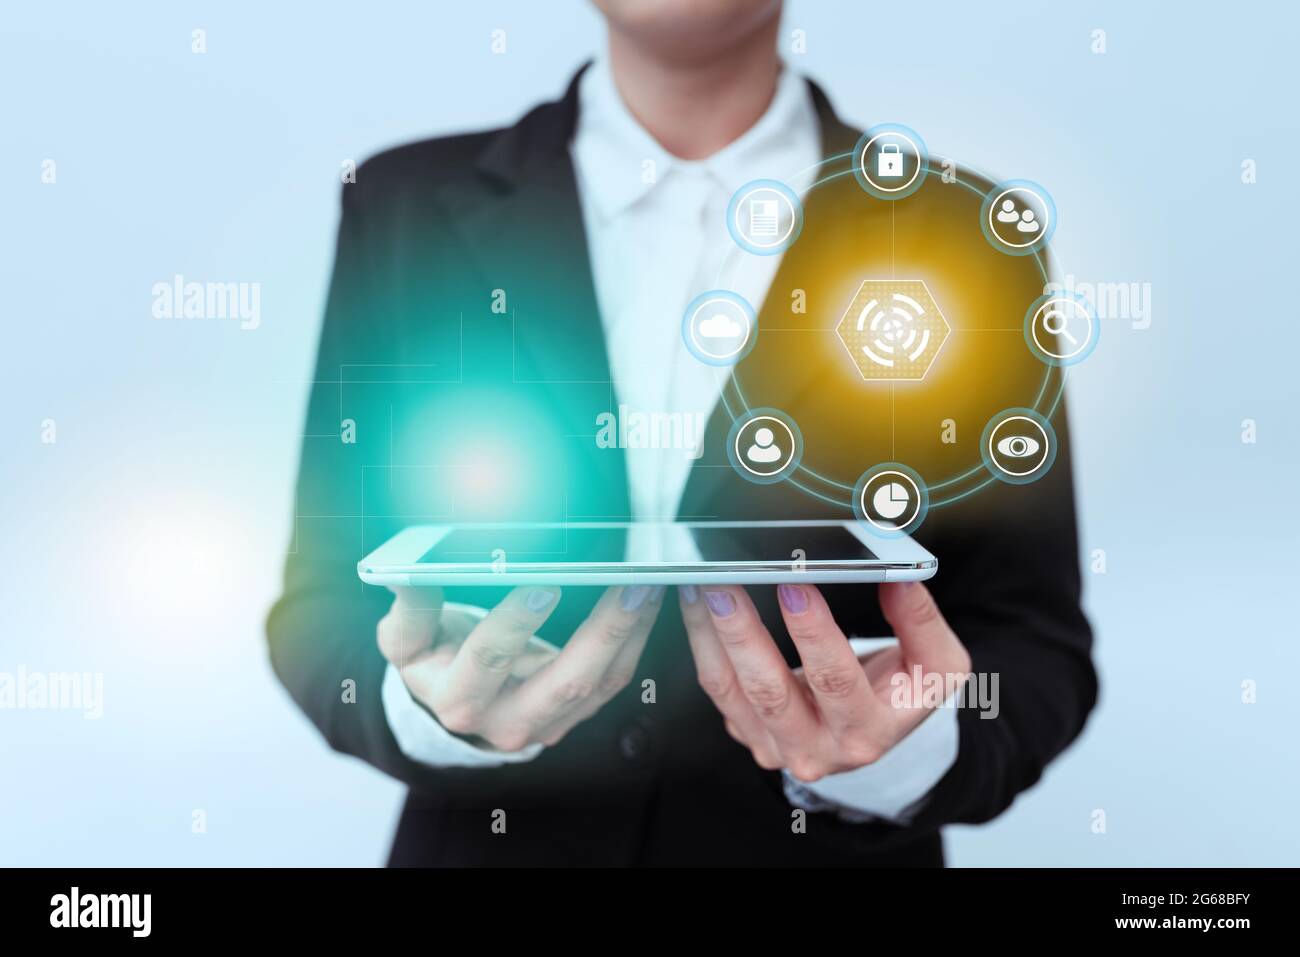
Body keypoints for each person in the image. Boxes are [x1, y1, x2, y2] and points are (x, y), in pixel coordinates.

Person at [267, 0, 1096, 866]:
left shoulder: (968, 235)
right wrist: (436, 711)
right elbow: (322, 608)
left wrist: (893, 754)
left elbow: (1034, 643)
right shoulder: (407, 207)